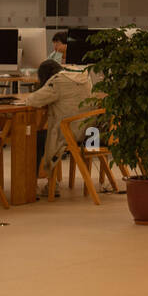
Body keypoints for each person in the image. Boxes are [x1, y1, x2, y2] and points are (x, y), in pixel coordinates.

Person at [24, 58, 97, 196]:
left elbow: (32, 101)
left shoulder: (57, 82)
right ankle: (51, 183)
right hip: (92, 133)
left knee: (37, 137)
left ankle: (32, 185)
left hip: (72, 134)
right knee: (46, 133)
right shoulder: (82, 77)